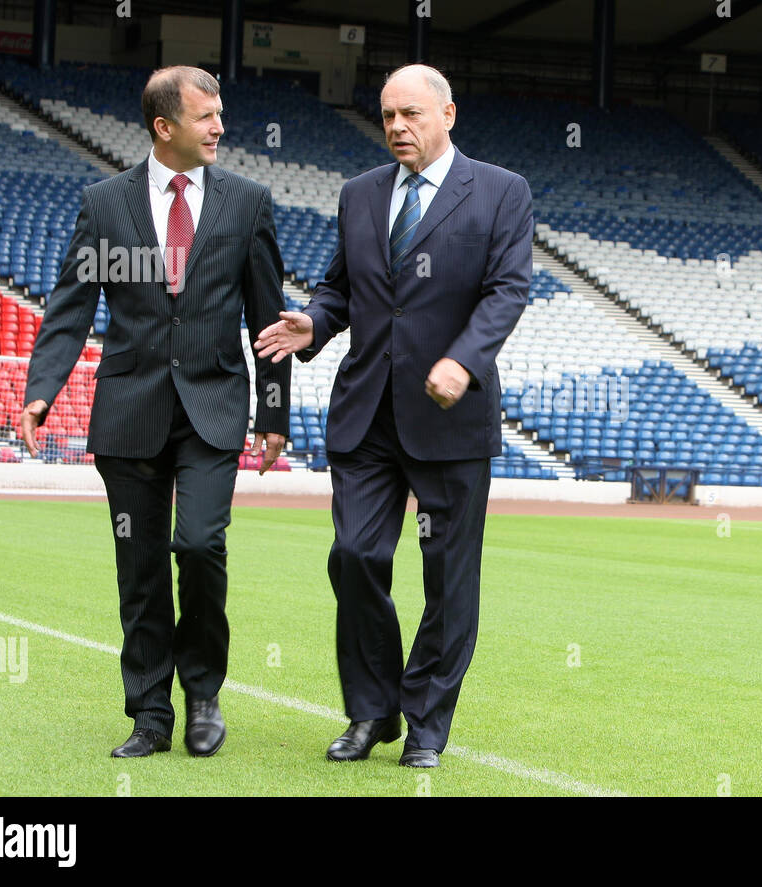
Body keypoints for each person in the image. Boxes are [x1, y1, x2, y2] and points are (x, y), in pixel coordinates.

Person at [254, 64, 532, 768]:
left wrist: (463, 361)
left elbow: (507, 289)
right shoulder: (360, 194)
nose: (397, 127)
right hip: (367, 414)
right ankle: (371, 710)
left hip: (450, 415)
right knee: (354, 556)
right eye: (386, 116)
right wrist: (313, 323)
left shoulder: (500, 192)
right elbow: (340, 289)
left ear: (448, 113)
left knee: (448, 577)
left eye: (411, 113)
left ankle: (428, 723)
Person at [20, 65, 290, 758]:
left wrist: (273, 412)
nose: (221, 127)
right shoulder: (105, 204)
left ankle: (203, 695)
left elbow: (269, 318)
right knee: (138, 567)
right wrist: (40, 388)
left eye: (221, 113)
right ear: (164, 127)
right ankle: (150, 714)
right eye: (207, 117)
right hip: (130, 411)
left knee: (199, 544)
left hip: (214, 406)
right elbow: (71, 304)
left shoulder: (248, 202)